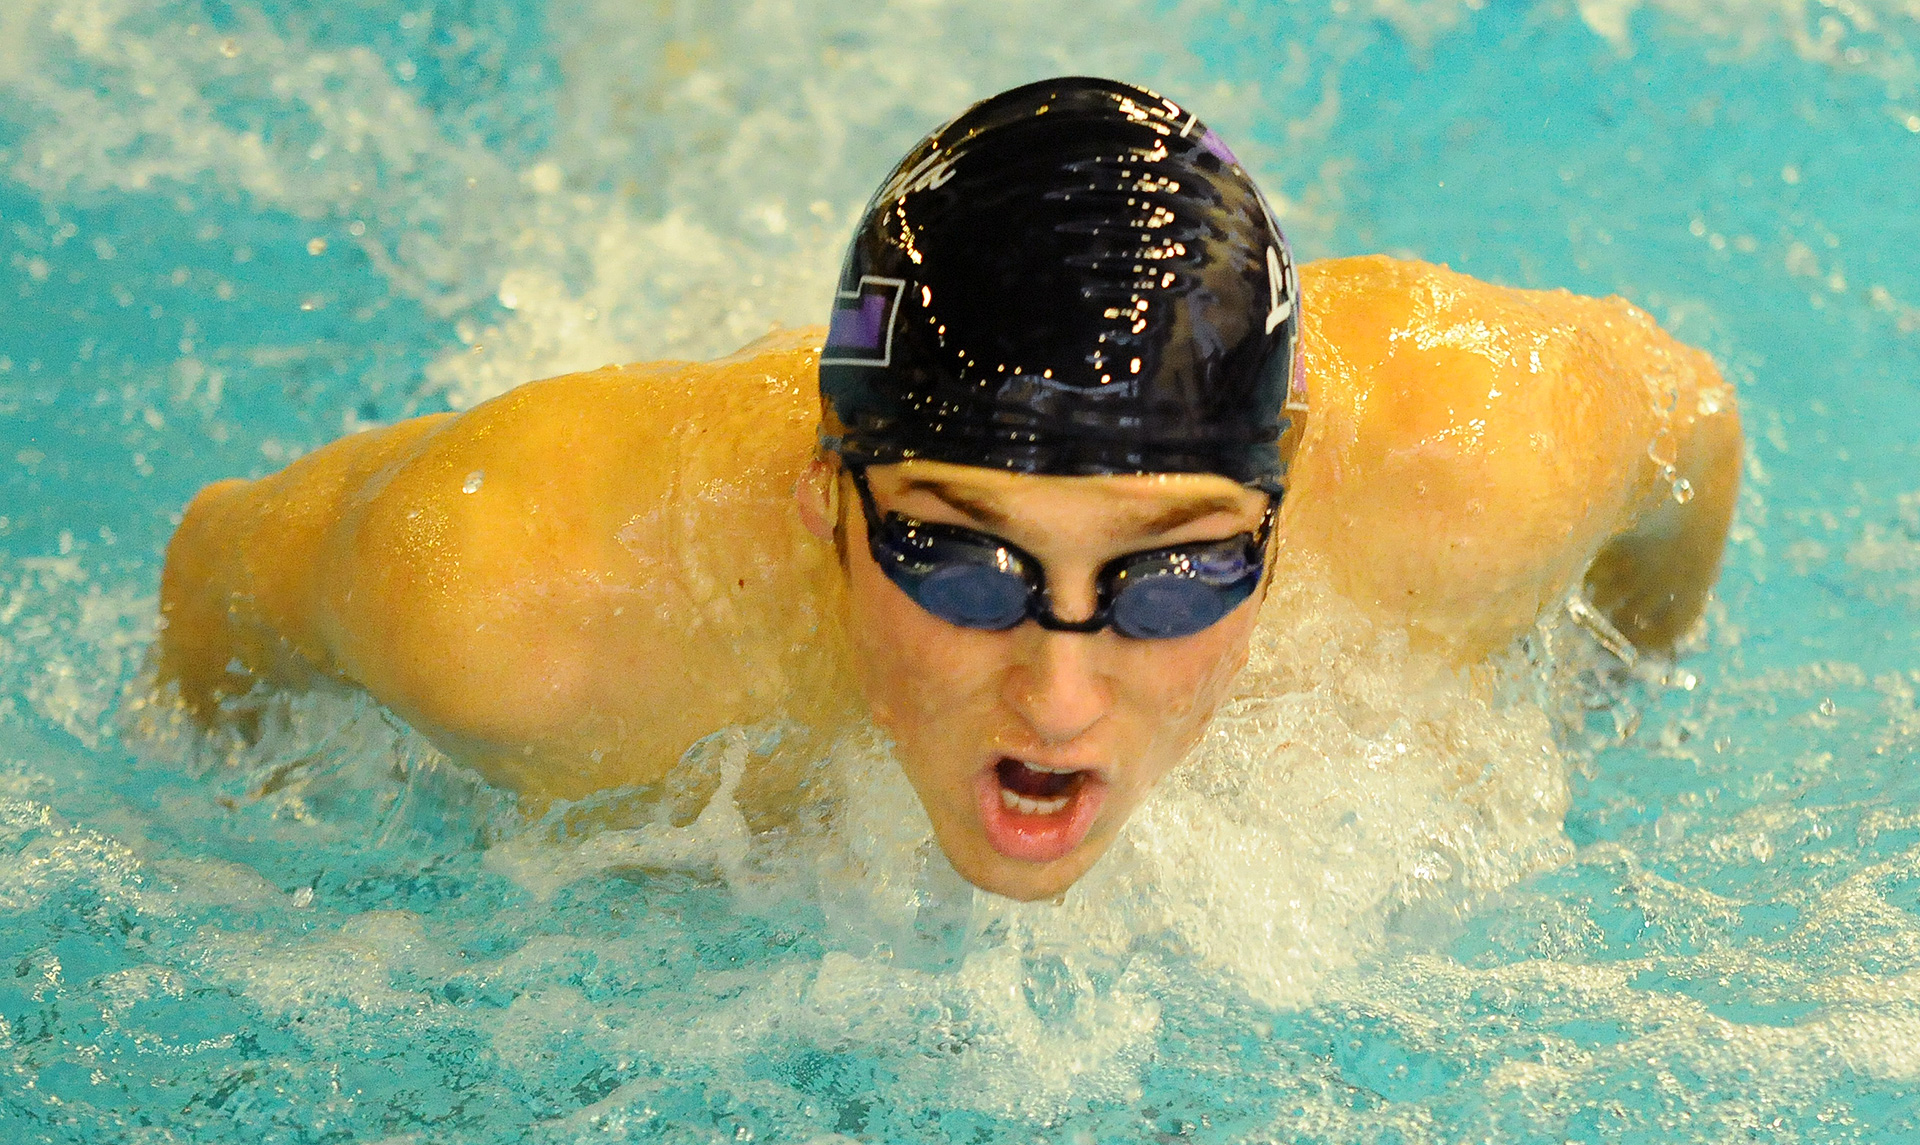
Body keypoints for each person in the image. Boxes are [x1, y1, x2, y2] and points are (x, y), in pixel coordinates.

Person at [154, 78, 1742, 901]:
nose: (1058, 699)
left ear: (1291, 492)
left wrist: (1594, 703)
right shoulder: (509, 598)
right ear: (820, 492)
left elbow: (1698, 433)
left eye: (1174, 575)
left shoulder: (1473, 459)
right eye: (962, 562)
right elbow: (213, 576)